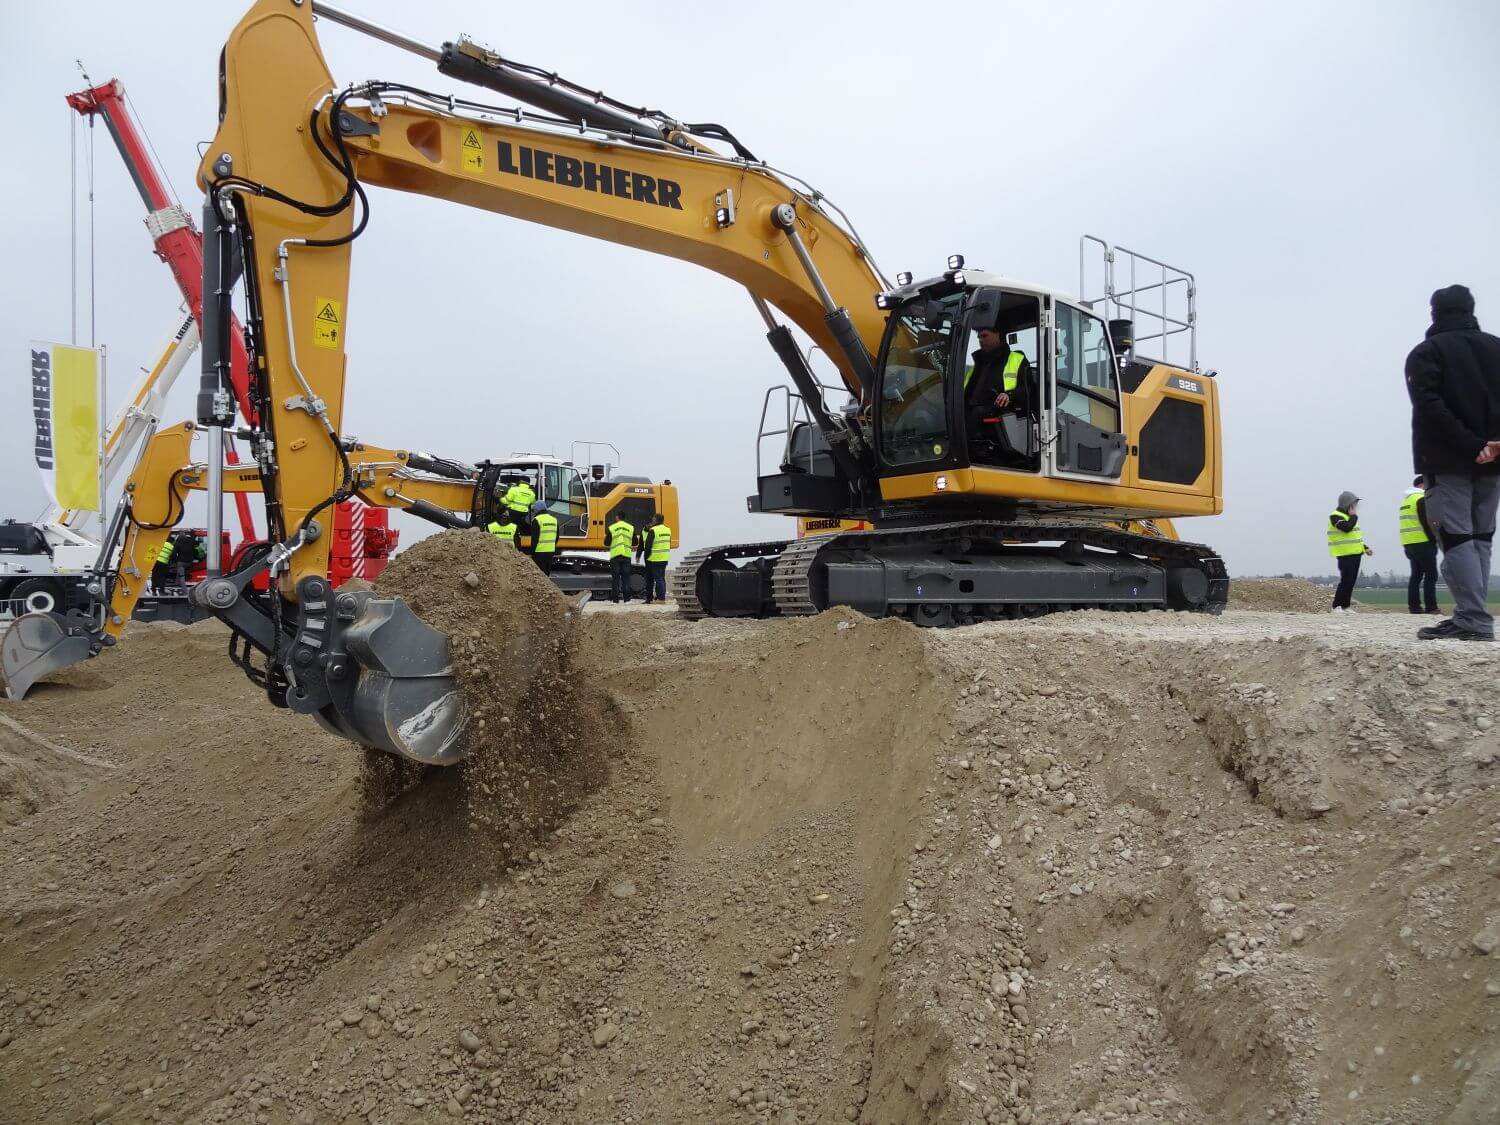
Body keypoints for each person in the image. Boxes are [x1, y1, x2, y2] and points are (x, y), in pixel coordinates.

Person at [1405, 284, 1500, 642]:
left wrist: (1472, 445)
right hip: (1493, 460)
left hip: (1448, 461)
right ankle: (1469, 614)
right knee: (1480, 537)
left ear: (1435, 313)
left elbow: (1430, 408)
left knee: (1458, 539)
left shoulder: (1428, 354)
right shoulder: (1496, 348)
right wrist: (1492, 446)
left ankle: (1473, 620)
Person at [964, 326, 1032, 465]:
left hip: (1004, 429)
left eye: (984, 336)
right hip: (969, 428)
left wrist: (1009, 395)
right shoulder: (975, 367)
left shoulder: (1017, 360)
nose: (980, 340)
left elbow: (1029, 390)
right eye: (978, 337)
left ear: (998, 334)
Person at [1399, 476, 1439, 615]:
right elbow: (1426, 522)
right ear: (1423, 485)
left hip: (1409, 543)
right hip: (1423, 542)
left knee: (1416, 575)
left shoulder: (1406, 501)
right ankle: (1431, 607)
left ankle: (1414, 607)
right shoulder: (1421, 499)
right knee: (1431, 574)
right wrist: (1434, 540)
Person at [1327, 492, 1373, 611]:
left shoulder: (1350, 517)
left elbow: (1354, 538)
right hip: (1344, 554)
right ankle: (1336, 606)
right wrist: (1354, 516)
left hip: (1356, 553)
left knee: (1351, 581)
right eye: (1353, 504)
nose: (1355, 507)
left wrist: (1365, 548)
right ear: (1347, 504)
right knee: (1345, 580)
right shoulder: (1335, 516)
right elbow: (1346, 528)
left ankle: (1345, 606)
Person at [637, 513, 672, 604]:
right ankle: (660, 597)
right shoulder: (668, 530)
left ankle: (657, 599)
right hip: (664, 558)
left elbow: (648, 546)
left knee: (652, 579)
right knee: (661, 578)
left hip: (654, 558)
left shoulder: (653, 530)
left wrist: (646, 558)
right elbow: (669, 543)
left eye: (653, 518)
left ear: (656, 520)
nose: (652, 520)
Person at [607, 514, 636, 603]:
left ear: (617, 517)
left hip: (615, 556)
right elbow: (635, 542)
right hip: (626, 556)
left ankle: (615, 600)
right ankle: (627, 600)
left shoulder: (612, 527)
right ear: (624, 518)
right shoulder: (631, 528)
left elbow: (606, 542)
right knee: (626, 578)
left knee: (615, 579)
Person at [529, 500, 558, 575]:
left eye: (534, 510)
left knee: (540, 575)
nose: (533, 512)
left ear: (537, 509)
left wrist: (532, 553)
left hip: (539, 552)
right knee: (546, 574)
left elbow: (534, 539)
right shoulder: (554, 520)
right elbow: (557, 537)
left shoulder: (537, 520)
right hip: (550, 551)